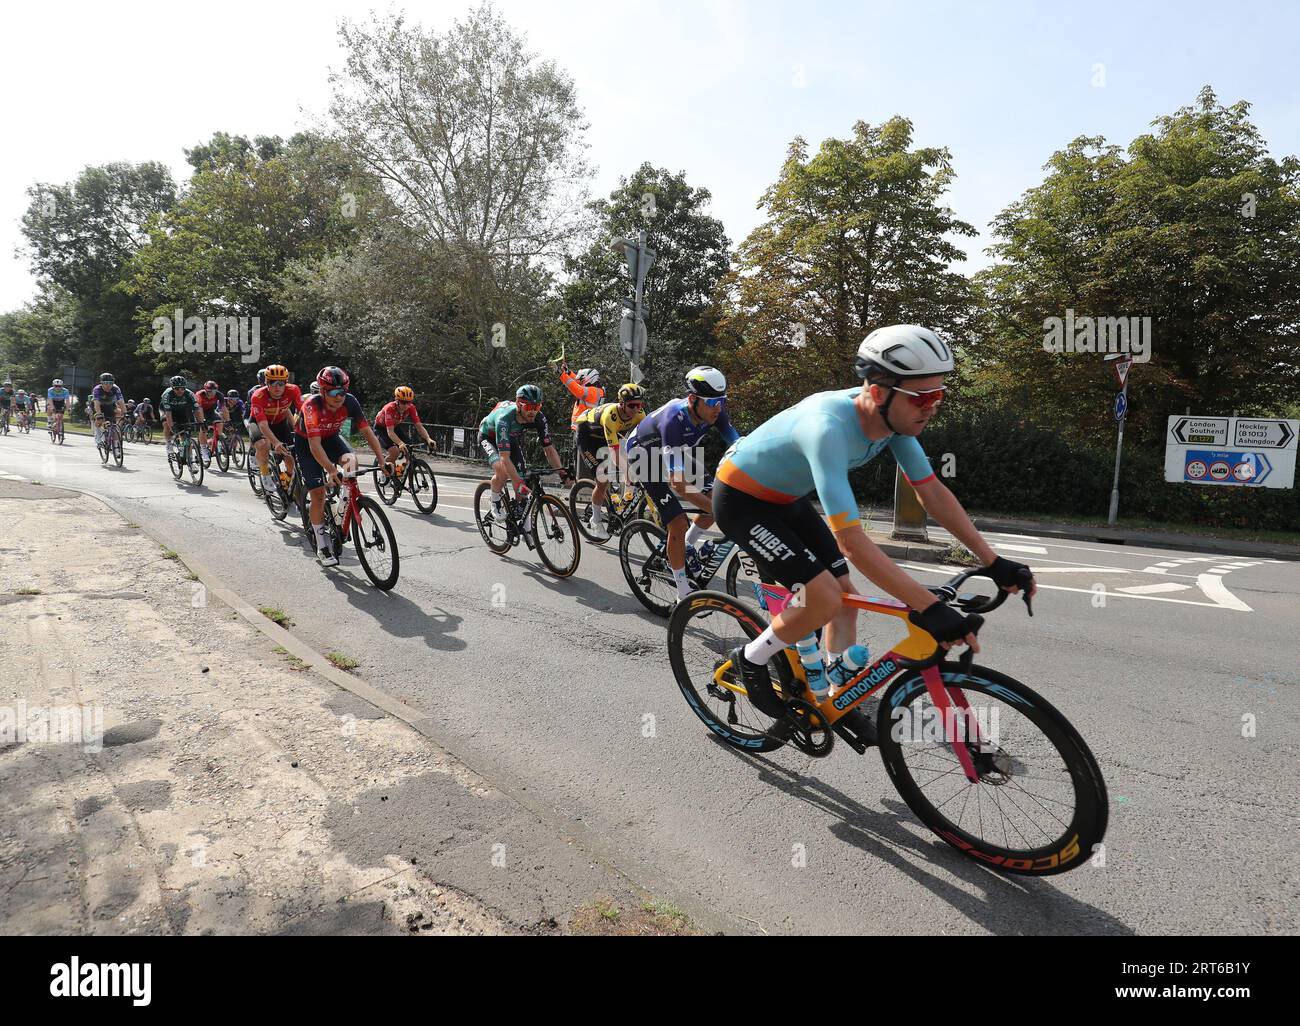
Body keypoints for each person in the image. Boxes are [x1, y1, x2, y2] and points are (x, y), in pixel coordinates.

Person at [713, 324, 1036, 727]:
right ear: (880, 392)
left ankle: (836, 696)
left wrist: (993, 561)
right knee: (824, 597)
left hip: (787, 499)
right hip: (741, 501)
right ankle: (751, 659)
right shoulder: (827, 428)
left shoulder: (894, 423)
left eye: (939, 395)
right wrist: (929, 607)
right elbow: (851, 543)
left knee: (846, 601)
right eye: (923, 397)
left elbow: (932, 493)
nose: (932, 407)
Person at [624, 367, 740, 601]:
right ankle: (683, 592)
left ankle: (685, 546)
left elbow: (740, 447)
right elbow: (678, 483)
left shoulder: (714, 411)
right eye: (712, 402)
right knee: (678, 523)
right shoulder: (673, 421)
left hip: (676, 451)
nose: (718, 408)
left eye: (722, 401)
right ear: (692, 399)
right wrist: (717, 511)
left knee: (715, 498)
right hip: (644, 456)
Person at [294, 366, 389, 568]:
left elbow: (367, 432)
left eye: (343, 391)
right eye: (334, 392)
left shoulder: (350, 401)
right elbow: (314, 446)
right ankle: (322, 545)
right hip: (308, 444)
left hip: (331, 438)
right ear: (322, 391)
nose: (339, 397)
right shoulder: (311, 406)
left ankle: (341, 512)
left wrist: (382, 460)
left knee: (351, 462)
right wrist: (330, 469)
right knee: (318, 494)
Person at [478, 384, 572, 522]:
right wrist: (517, 482)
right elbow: (505, 459)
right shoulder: (504, 418)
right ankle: (495, 500)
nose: (532, 411)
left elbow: (549, 449)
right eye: (528, 407)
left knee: (521, 475)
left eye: (537, 407)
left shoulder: (539, 418)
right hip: (488, 437)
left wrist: (562, 472)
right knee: (502, 470)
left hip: (509, 437)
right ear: (518, 404)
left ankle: (523, 521)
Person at [572, 383, 647, 539]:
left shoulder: (640, 414)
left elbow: (646, 440)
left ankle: (620, 505)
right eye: (632, 405)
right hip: (586, 435)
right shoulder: (610, 416)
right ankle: (595, 520)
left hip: (606, 436)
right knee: (603, 478)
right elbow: (615, 452)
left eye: (639, 405)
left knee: (631, 463)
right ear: (621, 403)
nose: (636, 409)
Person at [249, 364, 303, 495]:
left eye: (281, 383)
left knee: (290, 458)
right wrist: (276, 442)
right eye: (272, 383)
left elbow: (303, 412)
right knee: (264, 445)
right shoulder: (258, 396)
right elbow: (263, 425)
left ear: (286, 382)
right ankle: (264, 474)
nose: (277, 387)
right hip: (258, 423)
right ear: (266, 383)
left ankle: (285, 481)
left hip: (280, 423)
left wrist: (303, 430)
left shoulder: (293, 390)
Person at [373, 386, 436, 471]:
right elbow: (390, 432)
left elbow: (419, 426)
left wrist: (428, 439)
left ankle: (402, 470)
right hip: (381, 429)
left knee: (409, 448)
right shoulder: (389, 408)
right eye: (403, 402)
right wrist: (400, 443)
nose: (406, 405)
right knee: (395, 452)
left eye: (408, 402)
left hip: (395, 427)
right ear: (396, 400)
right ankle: (385, 470)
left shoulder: (411, 408)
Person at [558, 363, 604, 475]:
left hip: (585, 430)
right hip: (583, 429)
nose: (580, 382)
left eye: (582, 380)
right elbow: (577, 381)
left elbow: (576, 388)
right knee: (577, 458)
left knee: (581, 458)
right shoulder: (596, 389)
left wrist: (561, 375)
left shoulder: (593, 391)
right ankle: (580, 478)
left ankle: (584, 479)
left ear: (589, 379)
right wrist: (568, 372)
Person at [160, 376, 206, 454]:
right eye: (177, 388)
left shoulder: (189, 394)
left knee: (184, 434)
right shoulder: (167, 394)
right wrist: (171, 427)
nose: (180, 391)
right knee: (166, 424)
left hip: (181, 410)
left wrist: (201, 422)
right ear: (172, 388)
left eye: (183, 388)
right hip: (166, 410)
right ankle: (168, 443)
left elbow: (196, 410)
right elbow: (168, 413)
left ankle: (187, 455)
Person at [194, 380, 226, 464]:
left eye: (214, 391)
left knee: (220, 422)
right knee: (203, 428)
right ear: (205, 390)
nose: (212, 393)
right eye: (210, 391)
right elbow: (199, 409)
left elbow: (223, 408)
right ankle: (203, 449)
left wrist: (228, 420)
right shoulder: (199, 395)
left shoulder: (219, 395)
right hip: (198, 411)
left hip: (209, 410)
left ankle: (218, 440)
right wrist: (202, 422)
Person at [91, 373, 126, 448]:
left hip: (110, 405)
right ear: (101, 383)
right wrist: (99, 414)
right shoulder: (97, 389)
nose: (108, 385)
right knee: (99, 419)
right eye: (106, 383)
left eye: (110, 383)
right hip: (99, 405)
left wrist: (125, 413)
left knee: (114, 424)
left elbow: (121, 401)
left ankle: (116, 445)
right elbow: (97, 403)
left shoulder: (116, 388)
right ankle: (98, 438)